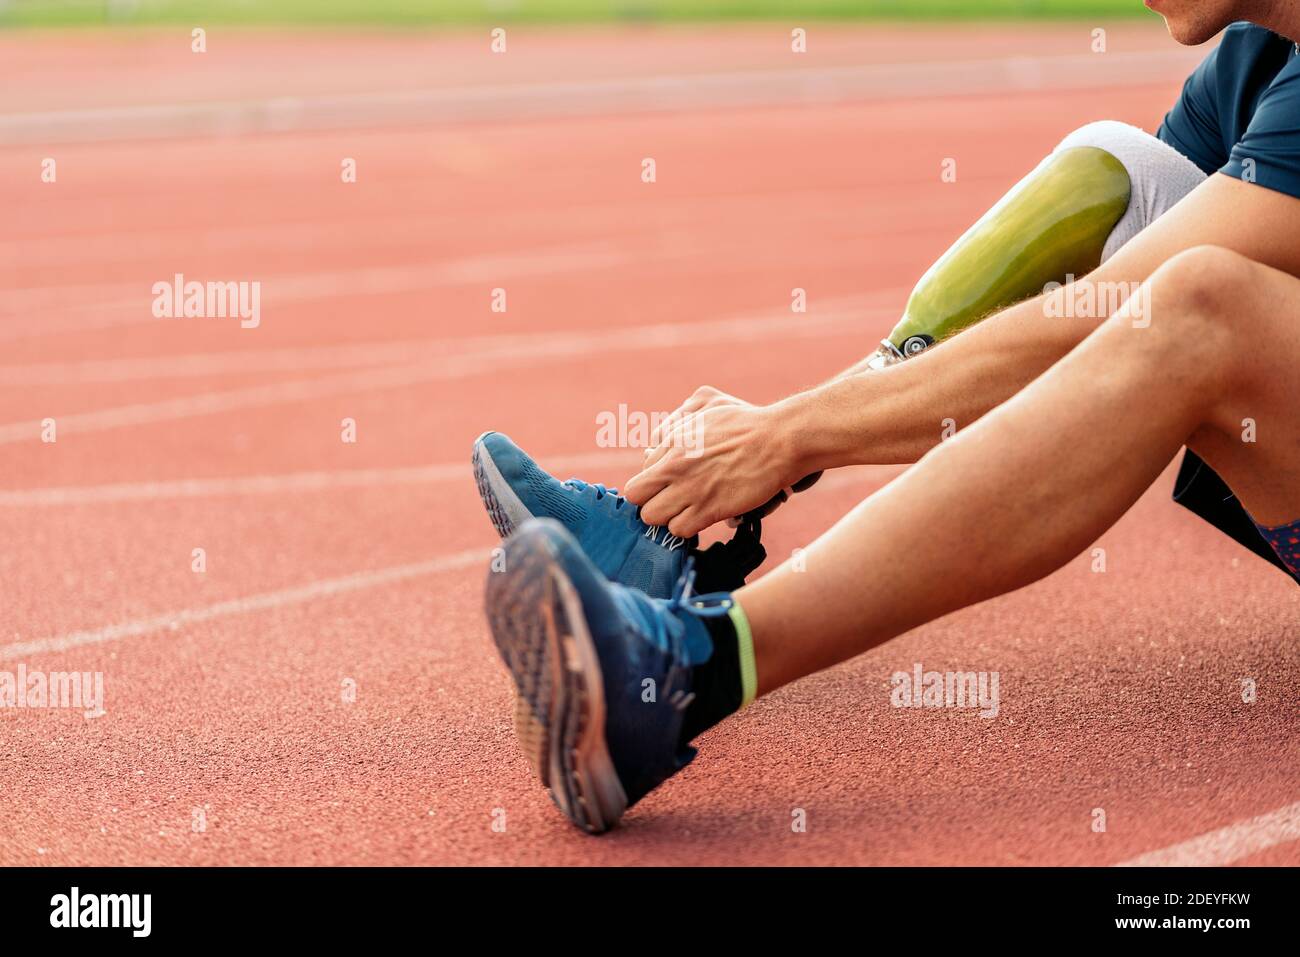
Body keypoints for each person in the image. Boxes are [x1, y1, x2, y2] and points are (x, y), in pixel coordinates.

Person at [475, 1, 1300, 833]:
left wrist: (792, 429)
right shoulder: (1253, 64)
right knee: (1113, 173)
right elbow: (1099, 290)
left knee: (1202, 311)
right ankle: (666, 548)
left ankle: (693, 668)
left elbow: (1110, 320)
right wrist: (779, 444)